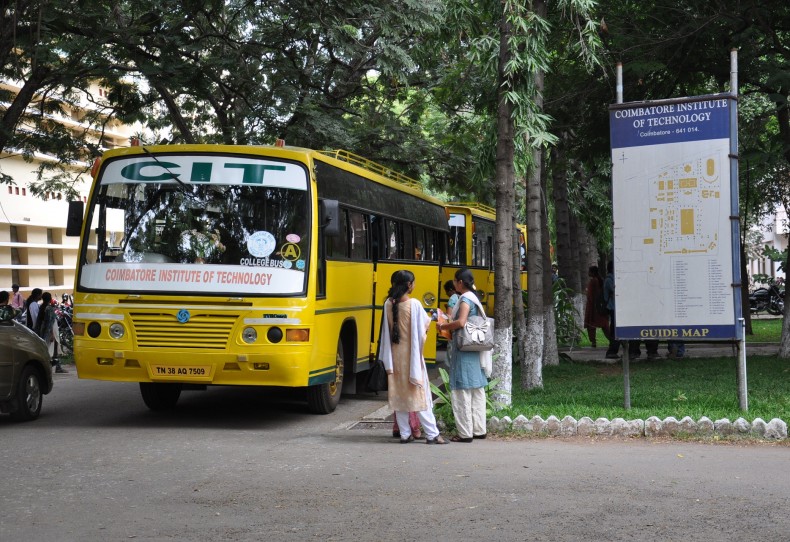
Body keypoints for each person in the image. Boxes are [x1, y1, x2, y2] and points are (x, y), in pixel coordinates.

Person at [379, 270, 446, 444]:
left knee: (399, 395)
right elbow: (423, 328)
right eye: (414, 282)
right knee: (419, 394)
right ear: (409, 285)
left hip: (394, 357)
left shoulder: (388, 303)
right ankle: (432, 434)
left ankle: (404, 434)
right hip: (411, 357)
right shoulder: (414, 304)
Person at [436, 268, 488, 442]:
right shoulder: (475, 297)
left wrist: (443, 326)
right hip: (473, 349)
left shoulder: (465, 299)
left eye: (455, 281)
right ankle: (479, 429)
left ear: (460, 282)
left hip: (463, 349)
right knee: (477, 388)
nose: (454, 283)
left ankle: (465, 432)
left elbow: (461, 322)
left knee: (461, 389)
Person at [34, 292, 67, 373]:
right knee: (52, 349)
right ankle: (54, 367)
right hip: (51, 332)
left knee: (50, 349)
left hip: (45, 331)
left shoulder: (42, 307)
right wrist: (52, 334)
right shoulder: (49, 308)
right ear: (50, 298)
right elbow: (50, 322)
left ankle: (56, 366)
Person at [583, 266, 610, 348]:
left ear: (592, 272)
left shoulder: (593, 281)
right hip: (600, 306)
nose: (588, 273)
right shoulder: (600, 280)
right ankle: (612, 340)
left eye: (589, 271)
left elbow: (590, 295)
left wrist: (587, 292)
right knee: (604, 325)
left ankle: (593, 342)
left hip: (593, 307)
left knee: (591, 325)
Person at [603, 262, 620, 359]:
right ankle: (611, 351)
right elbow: (616, 291)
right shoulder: (610, 280)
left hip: (615, 308)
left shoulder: (611, 278)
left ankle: (614, 349)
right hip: (613, 308)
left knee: (615, 330)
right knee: (614, 331)